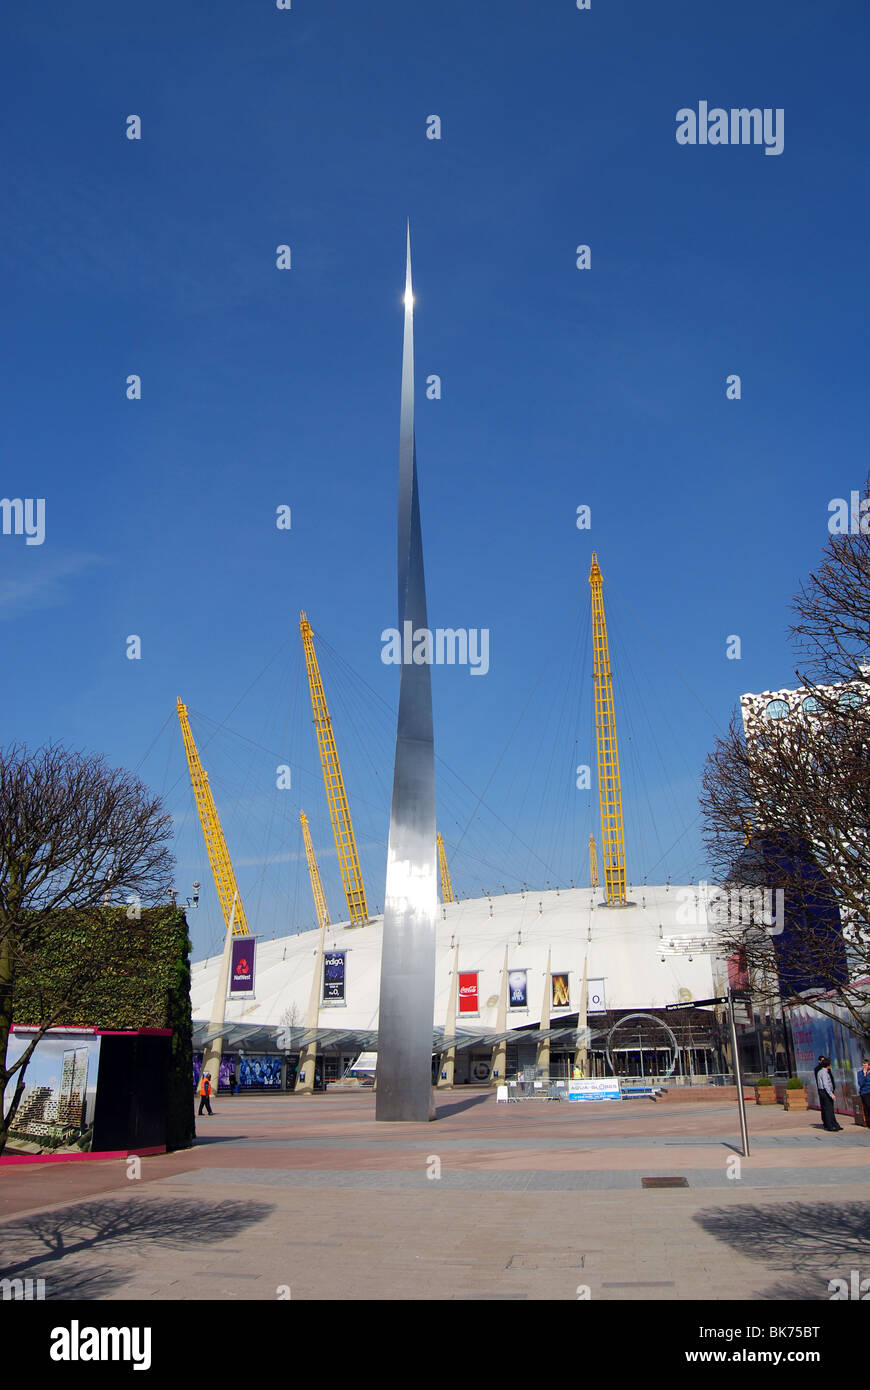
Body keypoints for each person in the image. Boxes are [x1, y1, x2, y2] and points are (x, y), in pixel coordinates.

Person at [816, 1056, 841, 1131]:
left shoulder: (821, 1071)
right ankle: (829, 1125)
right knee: (828, 1109)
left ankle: (833, 1124)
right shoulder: (824, 1072)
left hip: (823, 1091)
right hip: (825, 1092)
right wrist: (831, 1094)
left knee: (828, 1109)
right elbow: (826, 1085)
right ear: (828, 1065)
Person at [857, 1059, 870, 1126]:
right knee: (868, 1106)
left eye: (866, 1065)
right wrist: (864, 1075)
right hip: (865, 1092)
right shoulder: (860, 1073)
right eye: (863, 1065)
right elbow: (861, 1083)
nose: (864, 1066)